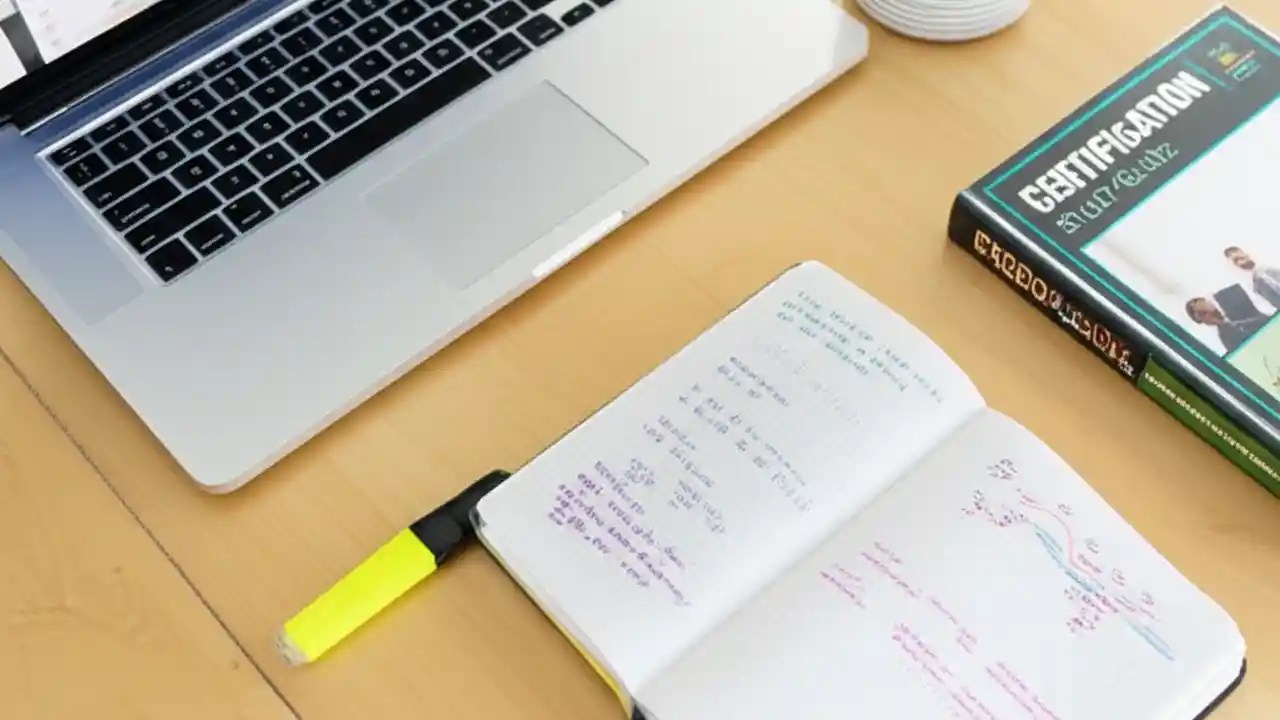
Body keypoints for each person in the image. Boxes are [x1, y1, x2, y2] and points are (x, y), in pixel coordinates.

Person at [1186, 296, 1270, 353]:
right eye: (1202, 314)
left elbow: (1265, 319)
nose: (1208, 313)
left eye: (1205, 306)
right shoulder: (1226, 336)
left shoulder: (1234, 304)